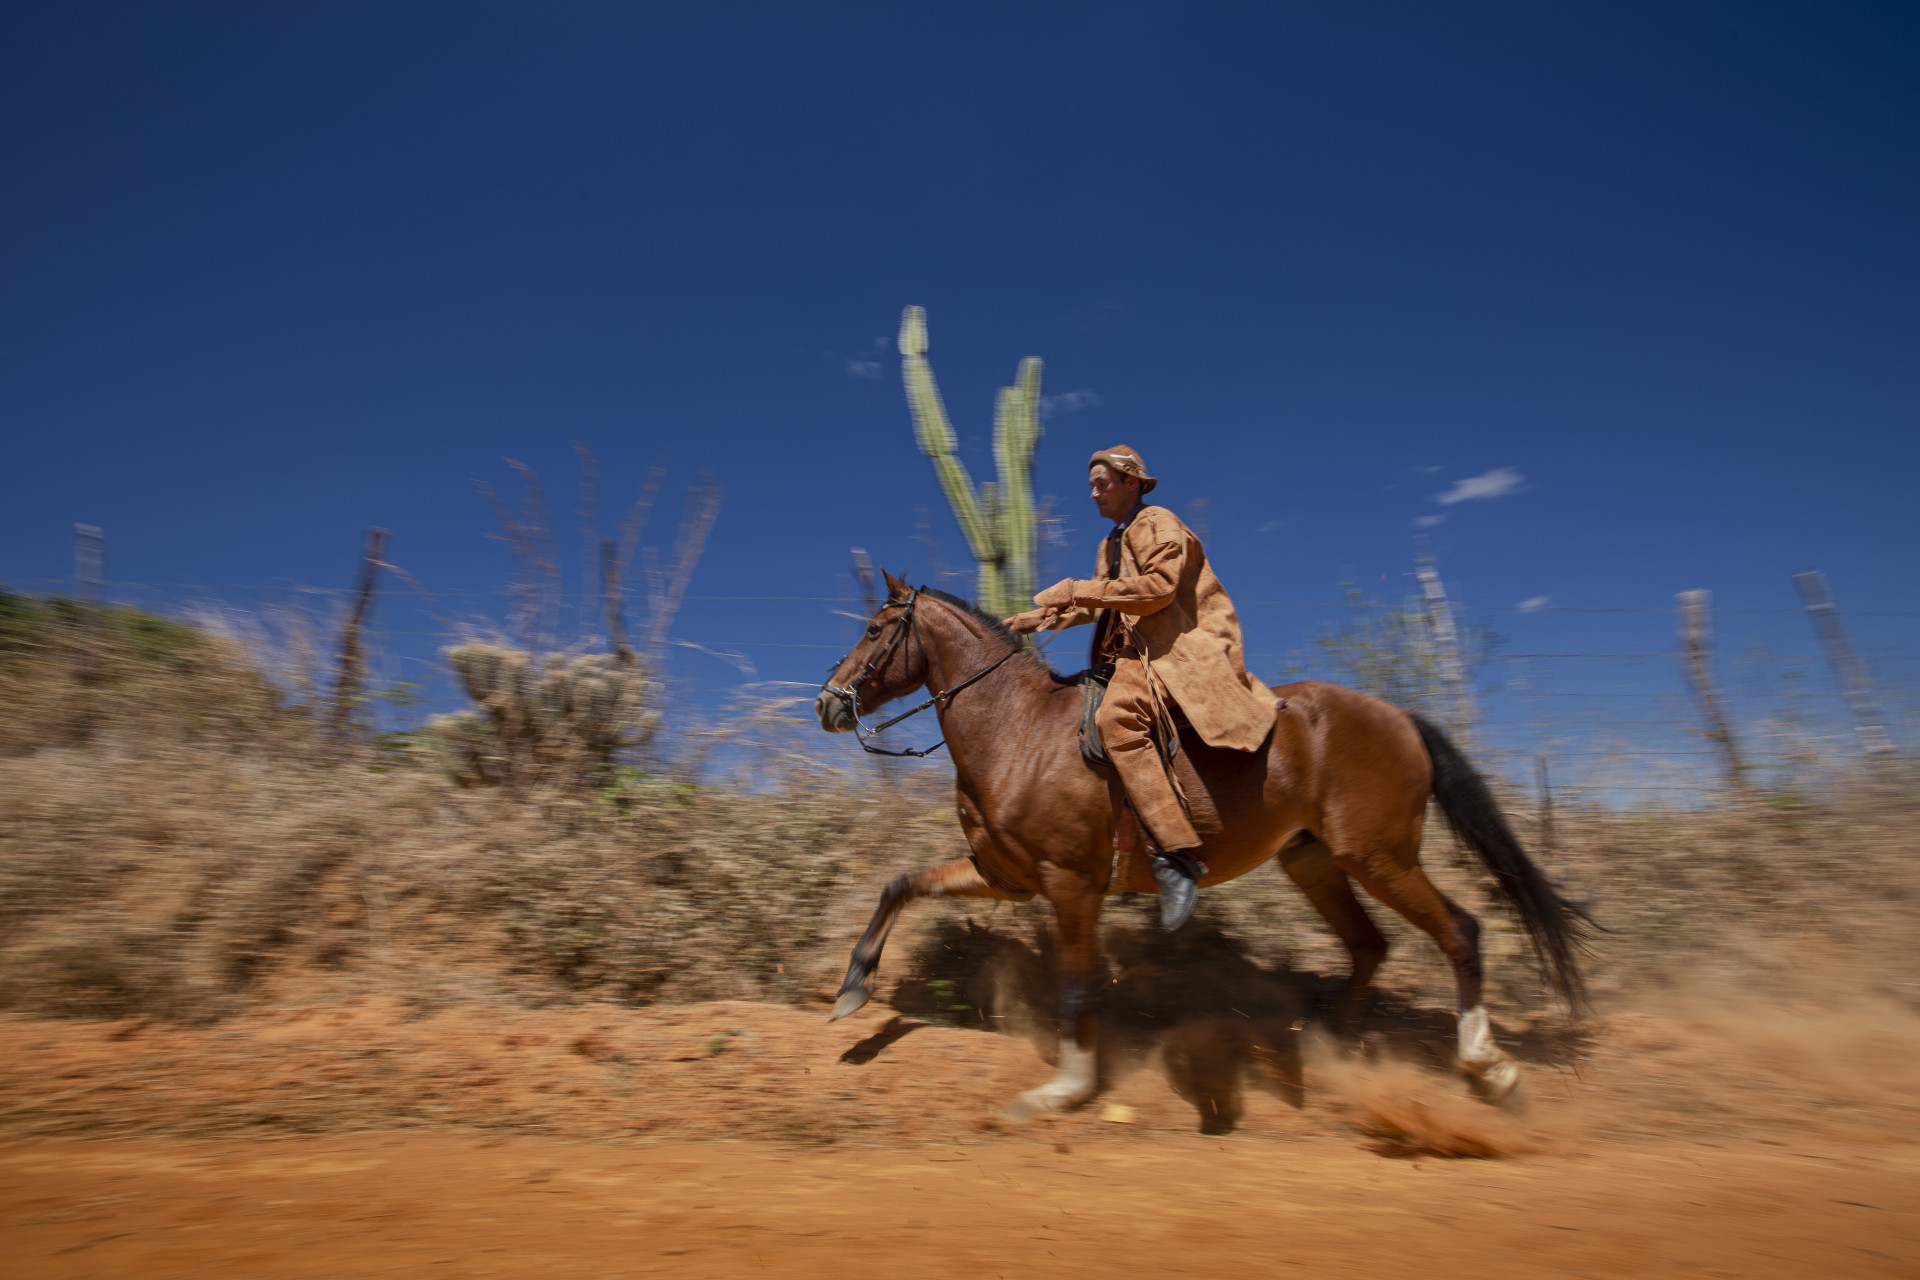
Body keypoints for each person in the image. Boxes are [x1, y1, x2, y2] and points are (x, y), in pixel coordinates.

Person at [1004, 446, 1276, 930]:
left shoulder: (1158, 522)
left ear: (1131, 483)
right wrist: (1030, 619)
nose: (1093, 494)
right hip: (1128, 653)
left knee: (1117, 718)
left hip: (1171, 647)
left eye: (1101, 484)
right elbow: (1095, 603)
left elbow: (1158, 589)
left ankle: (1177, 856)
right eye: (1091, 486)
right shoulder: (1109, 543)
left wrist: (1074, 587)